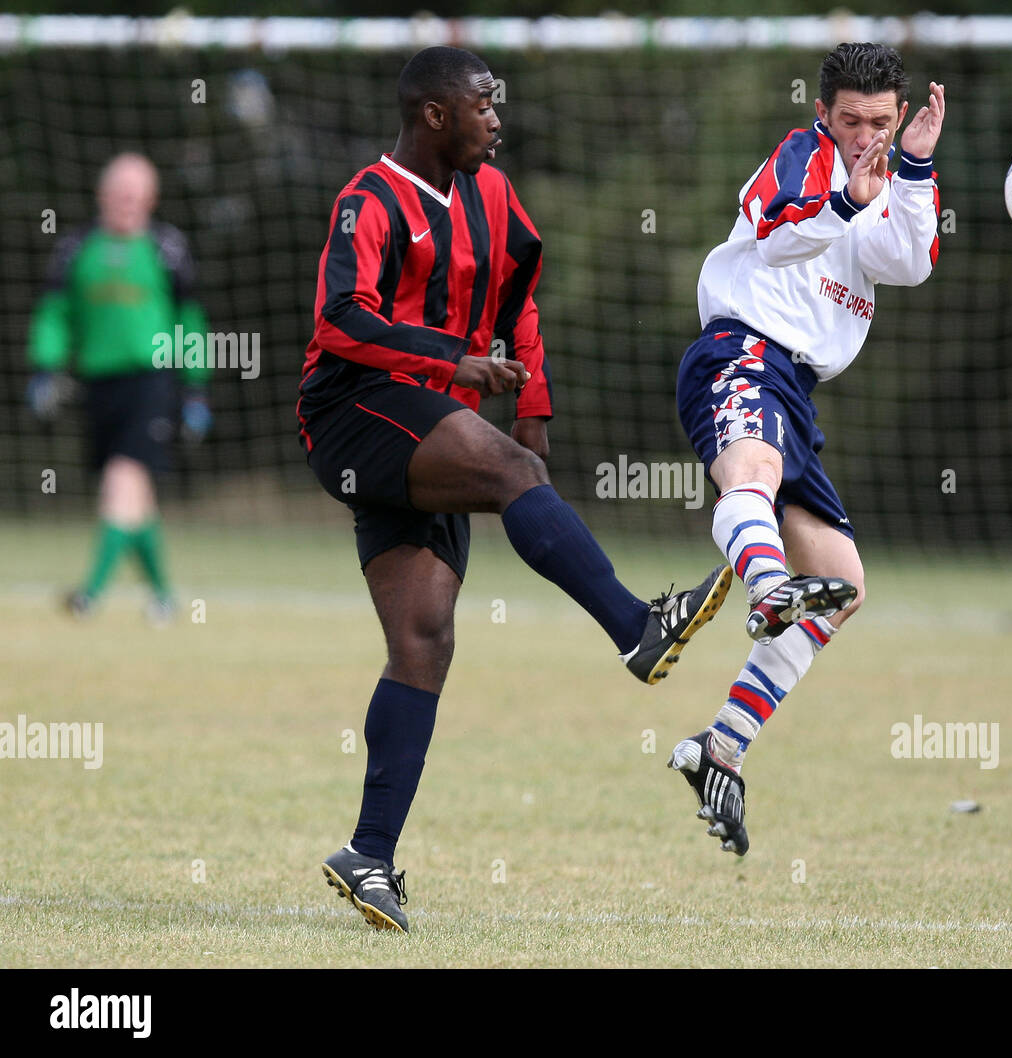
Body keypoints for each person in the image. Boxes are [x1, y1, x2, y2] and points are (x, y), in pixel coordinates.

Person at [302, 46, 731, 932]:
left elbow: (519, 300)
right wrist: (453, 365)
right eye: (483, 104)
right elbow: (340, 319)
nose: (497, 118)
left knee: (423, 641)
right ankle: (637, 629)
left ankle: (368, 855)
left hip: (432, 417)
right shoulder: (367, 200)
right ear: (433, 114)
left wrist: (531, 405)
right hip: (355, 409)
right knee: (507, 478)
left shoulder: (493, 198)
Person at [669, 42, 945, 854]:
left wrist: (917, 169)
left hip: (793, 387)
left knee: (845, 584)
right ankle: (766, 589)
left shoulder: (885, 180)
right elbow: (780, 233)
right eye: (852, 120)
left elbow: (909, 264)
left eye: (882, 123)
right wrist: (845, 204)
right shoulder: (802, 157)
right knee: (748, 474)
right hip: (739, 352)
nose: (866, 135)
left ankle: (719, 748)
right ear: (824, 113)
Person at [27, 152, 212, 624]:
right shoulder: (74, 248)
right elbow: (54, 313)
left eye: (137, 193)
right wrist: (46, 367)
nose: (127, 201)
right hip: (97, 383)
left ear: (150, 199)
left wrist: (195, 388)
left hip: (152, 381)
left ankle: (88, 595)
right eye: (119, 192)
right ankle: (165, 599)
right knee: (135, 499)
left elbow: (189, 320)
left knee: (121, 481)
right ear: (102, 195)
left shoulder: (167, 247)